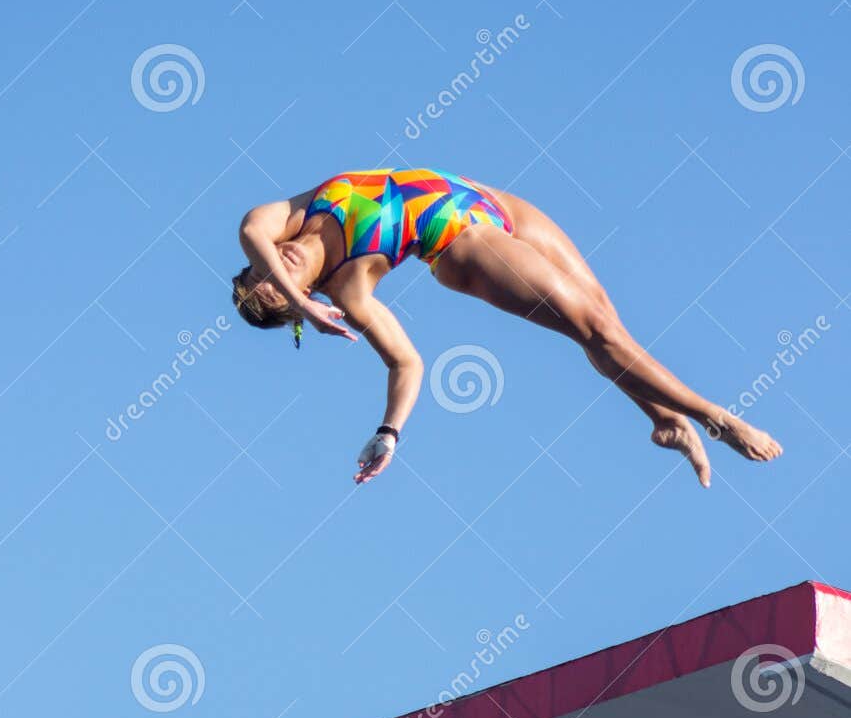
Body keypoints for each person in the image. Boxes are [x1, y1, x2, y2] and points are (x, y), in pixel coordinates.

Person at [231, 168, 782, 487]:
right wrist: (388, 434)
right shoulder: (347, 293)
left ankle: (663, 418)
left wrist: (289, 293)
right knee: (594, 331)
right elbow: (406, 362)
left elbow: (250, 232)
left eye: (262, 273)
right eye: (275, 289)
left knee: (605, 312)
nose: (276, 267)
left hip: (493, 202)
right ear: (299, 300)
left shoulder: (283, 218)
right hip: (464, 244)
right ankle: (715, 418)